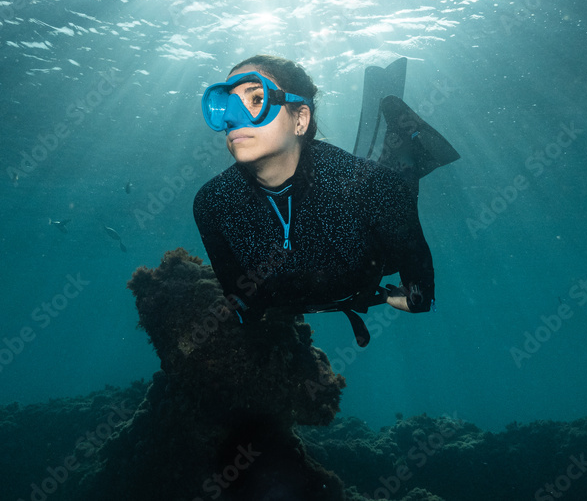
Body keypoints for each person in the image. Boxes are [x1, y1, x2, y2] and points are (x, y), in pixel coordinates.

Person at [192, 55, 458, 346]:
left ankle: (409, 152)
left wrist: (416, 298)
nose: (232, 117)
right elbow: (242, 304)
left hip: (369, 267)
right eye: (226, 104)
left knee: (387, 182)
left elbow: (419, 286)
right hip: (323, 291)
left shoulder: (372, 185)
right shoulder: (212, 204)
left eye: (256, 99)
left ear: (300, 119)